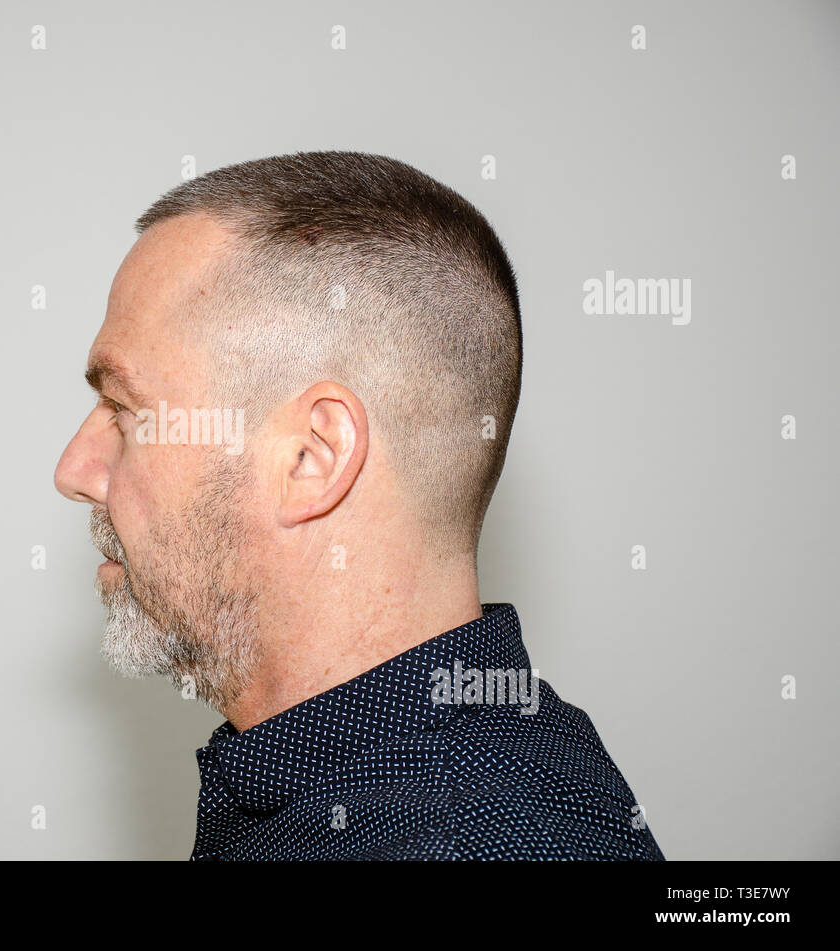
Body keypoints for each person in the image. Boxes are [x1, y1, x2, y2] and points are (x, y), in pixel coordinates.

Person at [53, 151, 664, 861]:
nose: (75, 469)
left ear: (314, 457)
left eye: (124, 409)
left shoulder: (470, 842)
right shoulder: (333, 784)